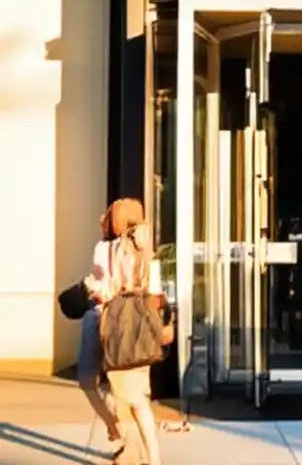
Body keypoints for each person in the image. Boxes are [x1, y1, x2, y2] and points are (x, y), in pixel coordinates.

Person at [92, 198, 163, 465]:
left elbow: (109, 289)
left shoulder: (118, 251)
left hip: (122, 332)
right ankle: (151, 455)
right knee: (139, 398)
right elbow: (156, 294)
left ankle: (131, 449)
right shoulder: (147, 255)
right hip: (143, 333)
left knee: (118, 397)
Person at [79, 205, 124, 454]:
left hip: (106, 315)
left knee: (111, 383)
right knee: (90, 380)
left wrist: (93, 286)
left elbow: (102, 282)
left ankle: (116, 429)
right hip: (101, 314)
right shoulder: (103, 246)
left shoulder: (121, 249)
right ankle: (112, 424)